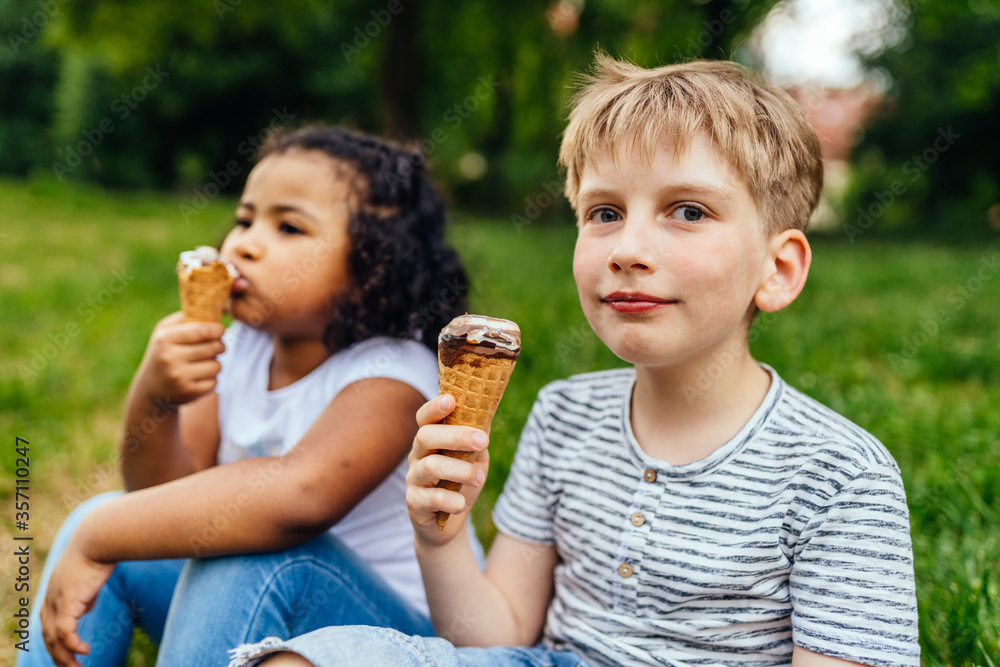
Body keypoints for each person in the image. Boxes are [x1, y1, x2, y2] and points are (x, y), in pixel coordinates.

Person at [228, 56, 920, 667]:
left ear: (778, 268)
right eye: (604, 212)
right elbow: (494, 637)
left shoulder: (840, 477)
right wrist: (438, 537)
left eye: (686, 210)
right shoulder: (565, 413)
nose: (628, 247)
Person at [22, 125, 472, 667]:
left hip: (386, 637)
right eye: (244, 218)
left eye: (287, 226)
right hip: (256, 607)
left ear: (374, 269)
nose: (244, 243)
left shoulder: (395, 374)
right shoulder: (237, 349)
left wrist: (102, 534)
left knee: (236, 552)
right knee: (112, 520)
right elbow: (165, 498)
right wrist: (155, 399)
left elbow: (299, 497)